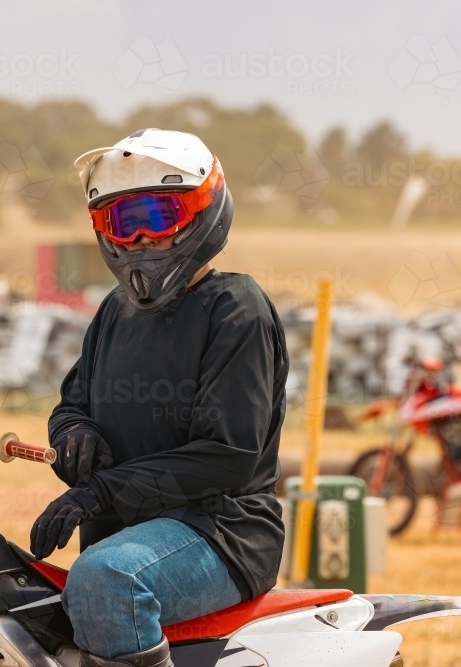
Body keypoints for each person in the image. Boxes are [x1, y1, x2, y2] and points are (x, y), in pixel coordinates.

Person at [30, 129, 289, 667]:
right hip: (126, 535)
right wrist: (72, 432)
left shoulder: (235, 309)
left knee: (106, 580)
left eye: (159, 216)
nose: (142, 238)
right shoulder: (114, 312)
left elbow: (229, 454)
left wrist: (100, 492)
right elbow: (72, 402)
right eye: (126, 222)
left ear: (203, 213)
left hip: (220, 532)